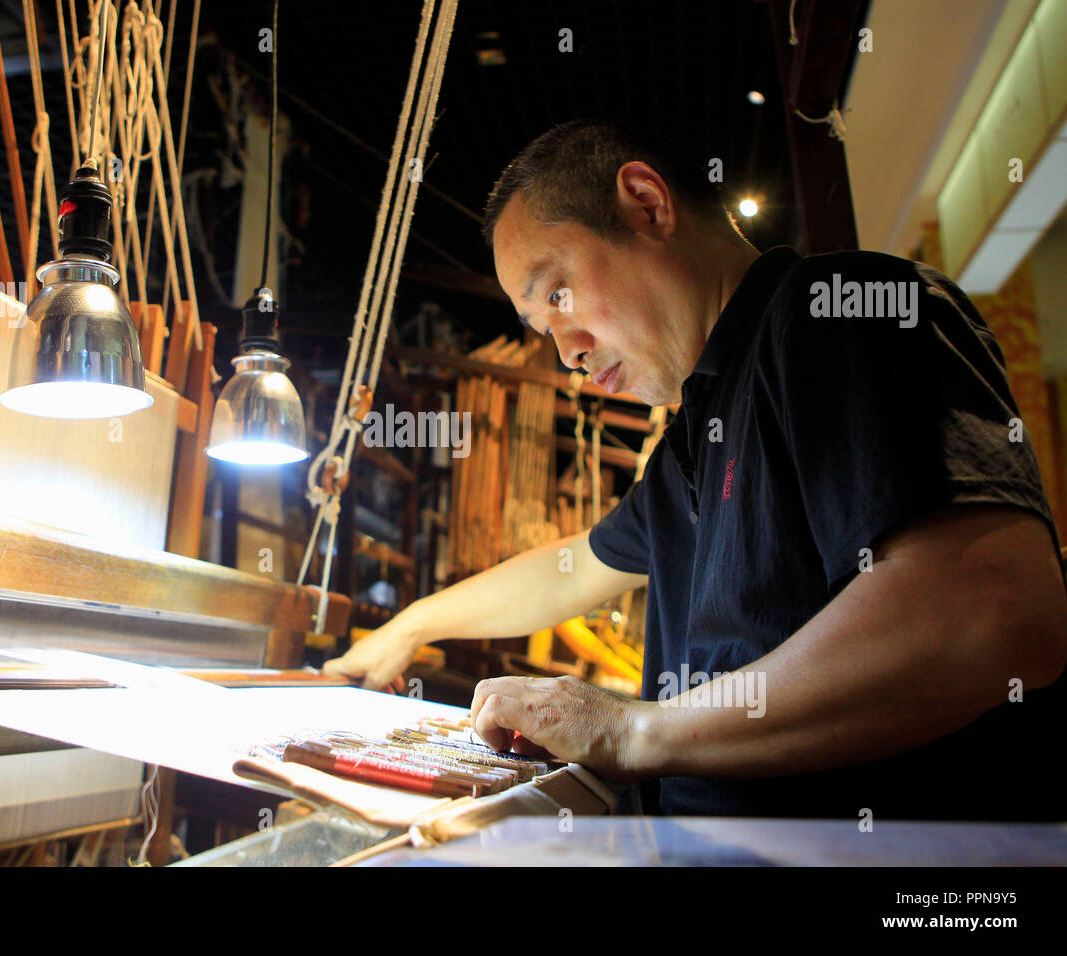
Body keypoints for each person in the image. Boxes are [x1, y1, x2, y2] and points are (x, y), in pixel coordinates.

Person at [324, 119, 1067, 820]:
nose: (567, 351)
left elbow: (990, 610)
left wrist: (634, 732)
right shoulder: (694, 438)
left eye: (558, 293)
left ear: (646, 203)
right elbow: (574, 567)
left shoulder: (836, 316)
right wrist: (411, 625)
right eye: (542, 327)